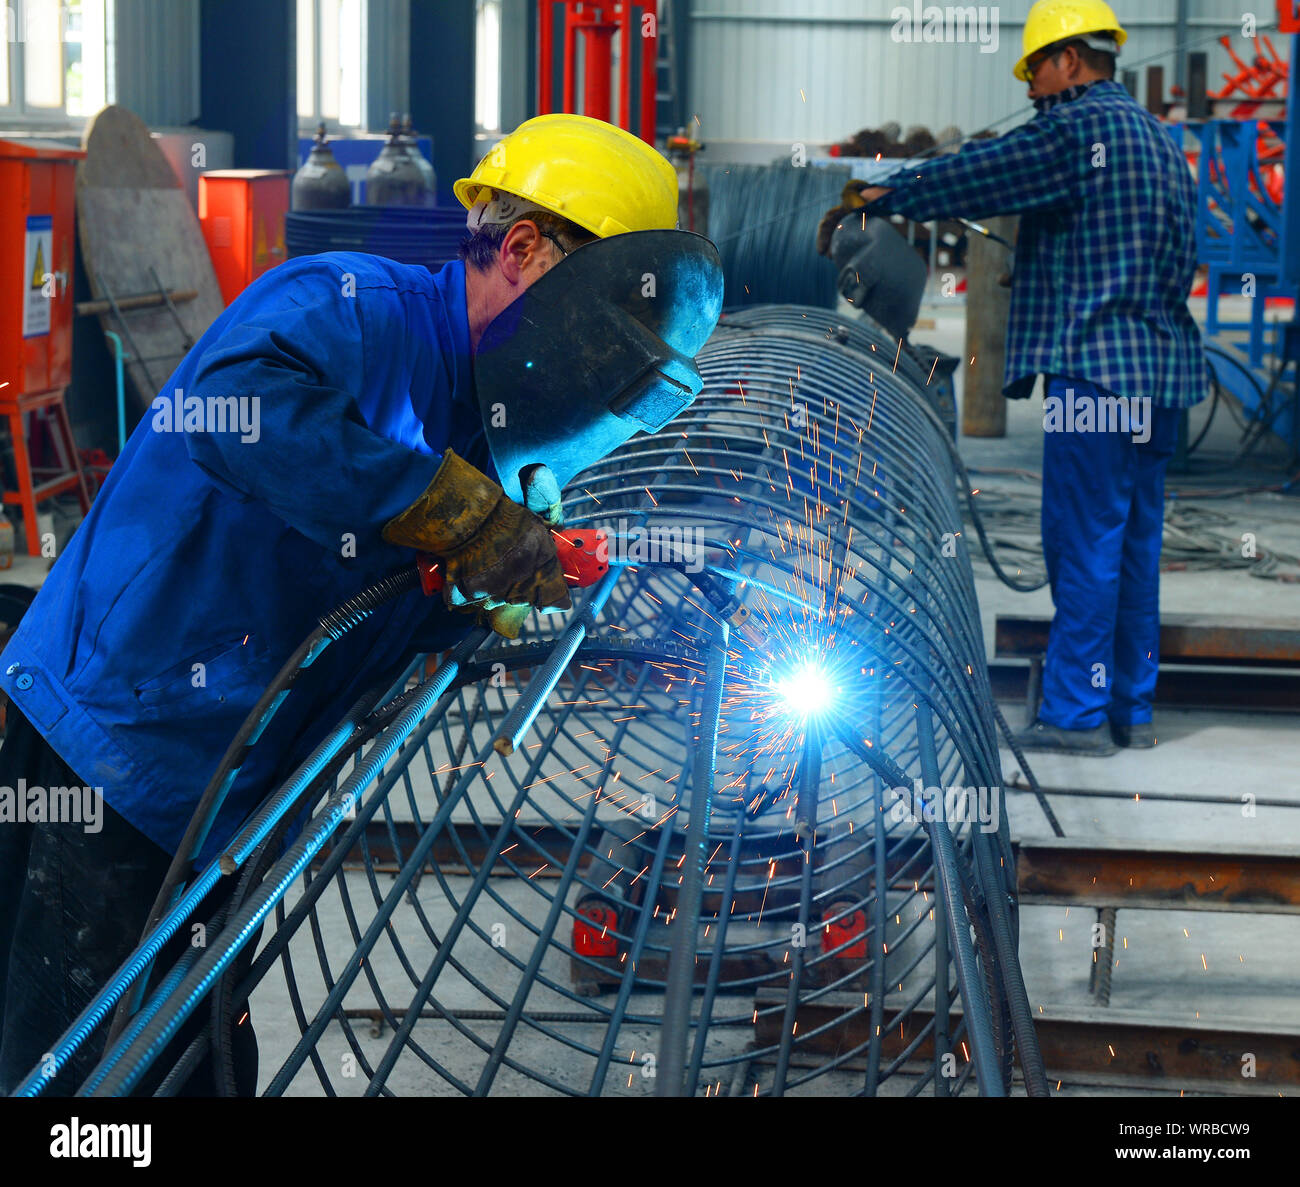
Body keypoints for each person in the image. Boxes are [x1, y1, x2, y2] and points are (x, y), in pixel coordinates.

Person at [0, 113, 720, 1093]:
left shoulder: (485, 416)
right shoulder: (350, 306)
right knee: (81, 1058)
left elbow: (385, 588)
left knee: (196, 1051)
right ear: (518, 249)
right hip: (121, 740)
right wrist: (449, 512)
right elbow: (244, 413)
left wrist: (481, 593)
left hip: (241, 791)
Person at [825, 0, 1205, 756]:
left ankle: (1074, 714)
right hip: (1160, 380)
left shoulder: (1077, 127)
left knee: (1085, 542)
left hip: (1094, 378)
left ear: (1068, 60)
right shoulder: (1162, 141)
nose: (1032, 91)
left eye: (1035, 73)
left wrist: (887, 192)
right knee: (1133, 544)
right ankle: (1130, 705)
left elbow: (987, 169)